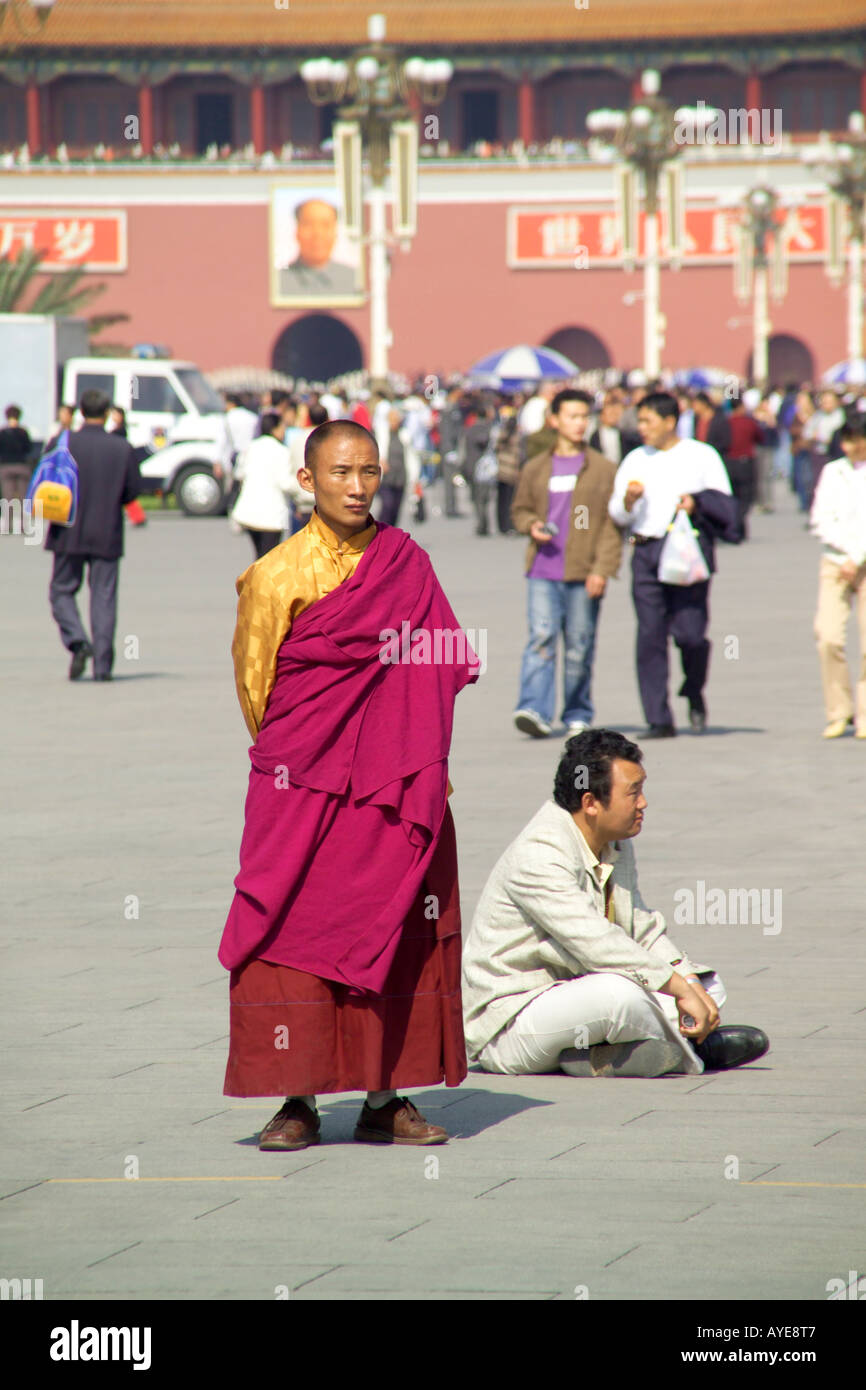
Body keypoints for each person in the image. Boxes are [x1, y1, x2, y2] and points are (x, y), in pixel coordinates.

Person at [219, 419, 480, 1150]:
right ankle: (296, 1100)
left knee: (392, 933)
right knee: (289, 933)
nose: (358, 487)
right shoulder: (275, 576)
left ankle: (383, 1098)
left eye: (369, 472)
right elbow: (258, 691)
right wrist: (309, 765)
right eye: (341, 473)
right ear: (308, 480)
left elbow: (440, 659)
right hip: (302, 787)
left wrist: (403, 758)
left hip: (395, 787)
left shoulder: (406, 562)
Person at [463, 729, 769, 1078]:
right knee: (619, 995)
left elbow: (642, 929)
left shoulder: (614, 841)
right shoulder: (539, 855)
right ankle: (698, 1051)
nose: (643, 803)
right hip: (513, 1023)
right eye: (633, 792)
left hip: (577, 997)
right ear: (591, 802)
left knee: (709, 986)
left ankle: (595, 1056)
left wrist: (689, 981)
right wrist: (679, 990)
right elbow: (597, 944)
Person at [608, 390, 739, 738]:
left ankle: (694, 691)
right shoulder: (635, 459)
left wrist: (696, 503)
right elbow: (617, 514)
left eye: (648, 420)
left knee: (691, 635)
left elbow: (725, 503)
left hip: (688, 553)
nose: (641, 428)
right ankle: (658, 717)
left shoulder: (702, 455)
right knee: (650, 636)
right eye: (639, 421)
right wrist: (628, 500)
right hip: (646, 554)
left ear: (670, 421)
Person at [511, 388, 622, 738]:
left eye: (583, 417)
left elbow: (609, 525)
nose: (579, 424)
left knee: (579, 645)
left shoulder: (603, 469)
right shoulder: (536, 467)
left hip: (583, 571)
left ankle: (577, 711)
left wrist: (602, 569)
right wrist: (532, 525)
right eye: (572, 417)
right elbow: (520, 509)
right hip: (543, 569)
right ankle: (534, 709)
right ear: (554, 420)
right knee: (541, 639)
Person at [43, 388, 141, 682]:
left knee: (61, 590)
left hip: (67, 529)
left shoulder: (63, 442)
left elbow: (46, 476)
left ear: (80, 412)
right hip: (106, 531)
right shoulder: (121, 448)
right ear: (108, 411)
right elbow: (133, 492)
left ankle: (77, 640)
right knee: (104, 596)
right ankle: (102, 666)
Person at [810, 413, 866, 739]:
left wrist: (858, 557)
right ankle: (838, 711)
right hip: (835, 562)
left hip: (861, 562)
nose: (851, 447)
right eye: (847, 440)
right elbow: (820, 517)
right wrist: (847, 555)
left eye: (857, 440)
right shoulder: (833, 472)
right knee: (828, 634)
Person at [230, 411, 294, 558]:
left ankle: (253, 580)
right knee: (268, 559)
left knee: (259, 555)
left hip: (250, 510)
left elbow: (239, 474)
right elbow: (285, 483)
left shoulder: (251, 447)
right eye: (282, 427)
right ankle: (258, 581)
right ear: (275, 428)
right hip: (271, 514)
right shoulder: (282, 451)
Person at [278, 199, 357, 298]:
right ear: (297, 232)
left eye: (326, 225)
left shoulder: (354, 278)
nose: (317, 234)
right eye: (308, 224)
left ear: (335, 233)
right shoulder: (279, 280)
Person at [725, 397, 765, 538]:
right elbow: (760, 438)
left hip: (729, 463)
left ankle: (737, 525)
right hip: (745, 463)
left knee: (734, 495)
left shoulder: (726, 422)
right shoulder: (749, 422)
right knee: (746, 497)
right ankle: (738, 522)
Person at [286, 402, 327, 532]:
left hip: (301, 501)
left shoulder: (298, 439)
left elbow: (291, 470)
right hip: (325, 503)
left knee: (300, 546)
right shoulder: (330, 440)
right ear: (327, 419)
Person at [215, 393, 258, 496]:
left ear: (230, 404)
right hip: (251, 455)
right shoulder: (252, 417)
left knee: (233, 488)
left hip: (234, 457)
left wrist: (217, 461)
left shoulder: (227, 418)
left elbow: (222, 441)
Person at [0, 405, 33, 530]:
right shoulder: (23, 432)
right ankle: (24, 525)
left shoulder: (2, 432)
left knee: (7, 496)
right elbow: (29, 448)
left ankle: (8, 525)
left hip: (6, 466)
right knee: (24, 496)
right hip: (21, 465)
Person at [588, 390, 641, 465]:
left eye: (615, 414)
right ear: (602, 416)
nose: (613, 417)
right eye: (610, 414)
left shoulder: (624, 436)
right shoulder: (595, 436)